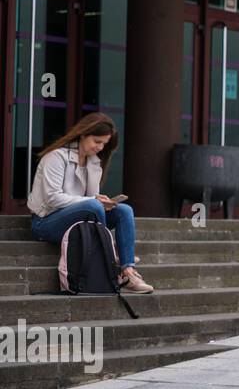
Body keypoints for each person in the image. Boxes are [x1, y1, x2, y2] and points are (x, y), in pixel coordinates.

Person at [28, 112, 153, 293]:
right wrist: (94, 201)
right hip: (45, 222)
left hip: (79, 219)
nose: (100, 147)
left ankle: (128, 271)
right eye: (97, 141)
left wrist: (102, 202)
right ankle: (110, 255)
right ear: (83, 135)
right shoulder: (56, 157)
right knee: (94, 205)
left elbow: (91, 200)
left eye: (104, 143)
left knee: (124, 210)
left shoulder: (94, 163)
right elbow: (52, 198)